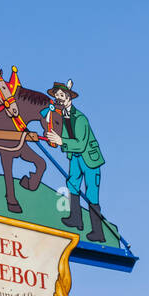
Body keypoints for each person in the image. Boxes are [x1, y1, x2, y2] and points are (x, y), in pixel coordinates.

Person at [43, 80, 107, 244]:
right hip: (75, 157)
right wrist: (56, 140)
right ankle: (76, 220)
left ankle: (98, 232)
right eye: (57, 96)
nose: (59, 98)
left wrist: (60, 141)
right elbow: (64, 135)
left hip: (89, 158)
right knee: (72, 184)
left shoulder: (80, 119)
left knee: (91, 193)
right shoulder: (64, 115)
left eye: (61, 95)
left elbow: (80, 143)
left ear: (69, 97)